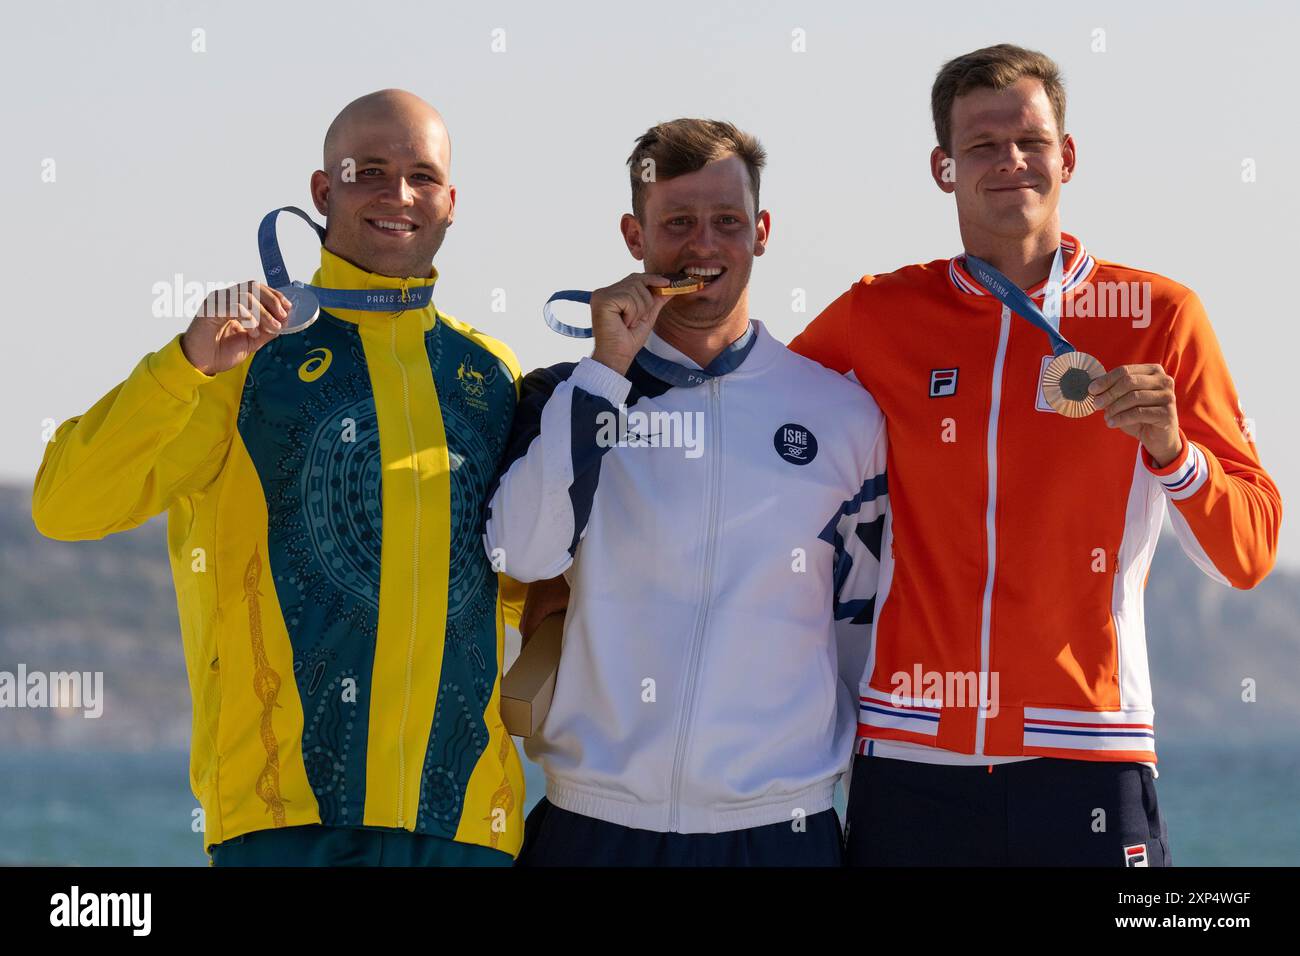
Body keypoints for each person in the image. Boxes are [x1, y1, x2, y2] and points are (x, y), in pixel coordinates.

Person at [790, 44, 1282, 866]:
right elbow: (757, 413)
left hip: (1089, 757)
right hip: (913, 760)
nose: (1010, 161)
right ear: (944, 168)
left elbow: (1251, 552)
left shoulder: (1159, 314)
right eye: (982, 145)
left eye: (1030, 141)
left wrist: (1172, 451)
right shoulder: (879, 313)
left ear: (1069, 156)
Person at [32, 89, 529, 866]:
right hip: (282, 825)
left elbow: (533, 579)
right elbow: (67, 504)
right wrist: (183, 365)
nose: (397, 195)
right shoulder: (238, 357)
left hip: (464, 831)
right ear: (323, 192)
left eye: (420, 176)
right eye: (369, 171)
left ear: (451, 202)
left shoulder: (492, 376)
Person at [484, 118, 888, 866]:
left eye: (726, 222)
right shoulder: (568, 394)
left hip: (782, 830)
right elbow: (522, 550)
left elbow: (860, 638)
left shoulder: (842, 415)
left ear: (761, 232)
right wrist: (606, 373)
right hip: (592, 824)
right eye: (677, 223)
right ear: (635, 236)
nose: (703, 245)